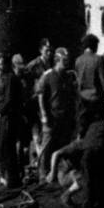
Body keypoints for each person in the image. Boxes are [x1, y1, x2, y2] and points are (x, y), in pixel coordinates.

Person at [0, 55, 24, 191]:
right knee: (4, 146)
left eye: (1, 64)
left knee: (7, 146)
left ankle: (12, 179)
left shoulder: (11, 78)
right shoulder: (2, 78)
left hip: (7, 117)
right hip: (1, 117)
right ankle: (7, 177)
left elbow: (10, 98)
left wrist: (0, 111)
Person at [37, 47, 78, 178]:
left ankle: (59, 172)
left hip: (65, 117)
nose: (67, 63)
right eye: (64, 60)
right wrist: (44, 115)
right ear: (57, 60)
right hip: (51, 117)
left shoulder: (68, 76)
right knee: (47, 145)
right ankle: (43, 174)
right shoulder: (48, 76)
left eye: (67, 60)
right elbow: (41, 96)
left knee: (64, 144)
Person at [74, 33, 104, 134]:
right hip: (96, 100)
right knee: (96, 127)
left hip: (82, 100)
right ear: (93, 46)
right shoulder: (98, 59)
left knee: (82, 128)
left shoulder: (78, 60)